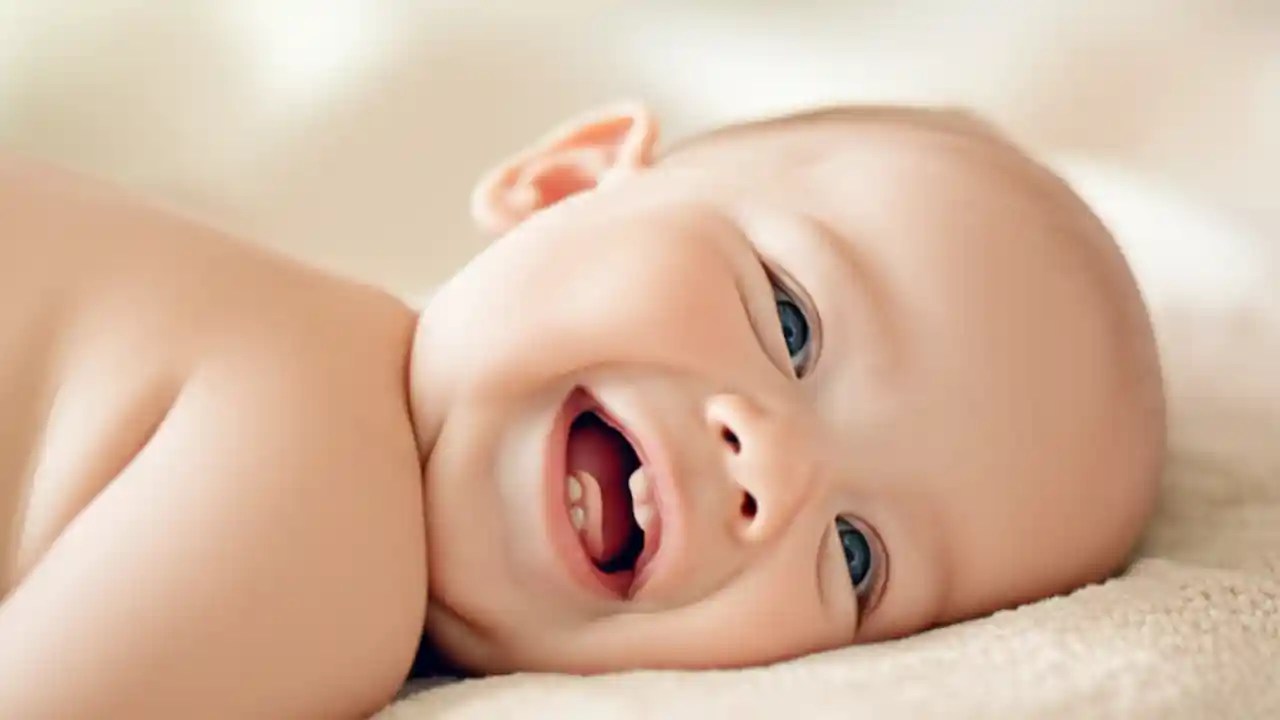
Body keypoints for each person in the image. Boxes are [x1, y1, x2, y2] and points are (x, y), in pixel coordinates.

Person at [0, 103, 1165, 718]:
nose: (775, 472)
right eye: (790, 321)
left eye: (856, 557)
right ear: (564, 181)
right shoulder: (330, 533)